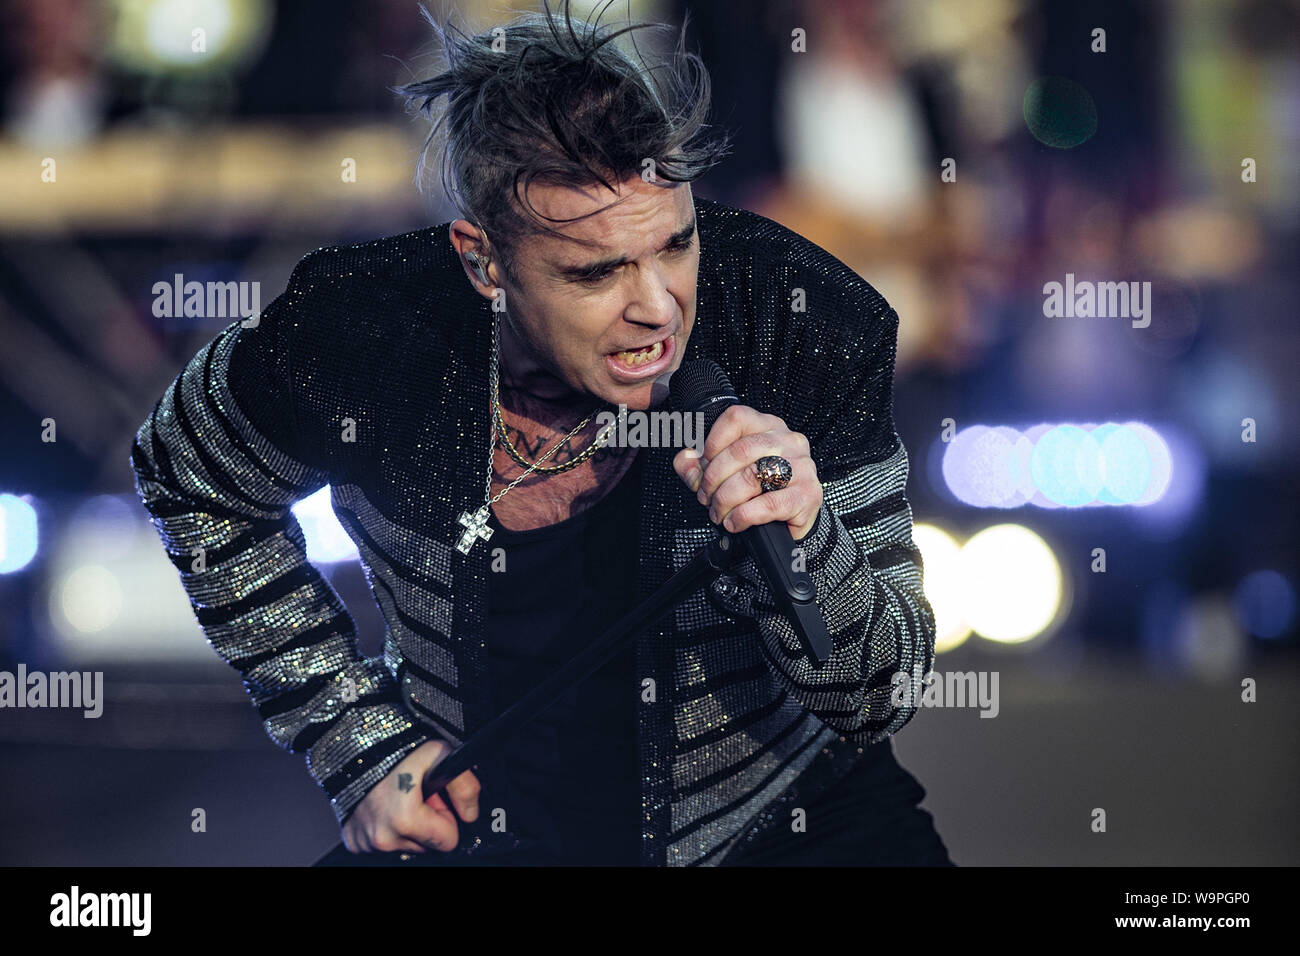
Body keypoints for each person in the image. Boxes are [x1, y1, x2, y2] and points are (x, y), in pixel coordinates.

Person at [131, 1, 952, 867]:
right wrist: (357, 742)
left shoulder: (798, 315)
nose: (657, 307)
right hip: (490, 834)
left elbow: (881, 694)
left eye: (675, 246)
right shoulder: (366, 331)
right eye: (595, 271)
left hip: (783, 822)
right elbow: (186, 470)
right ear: (484, 260)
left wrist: (806, 540)